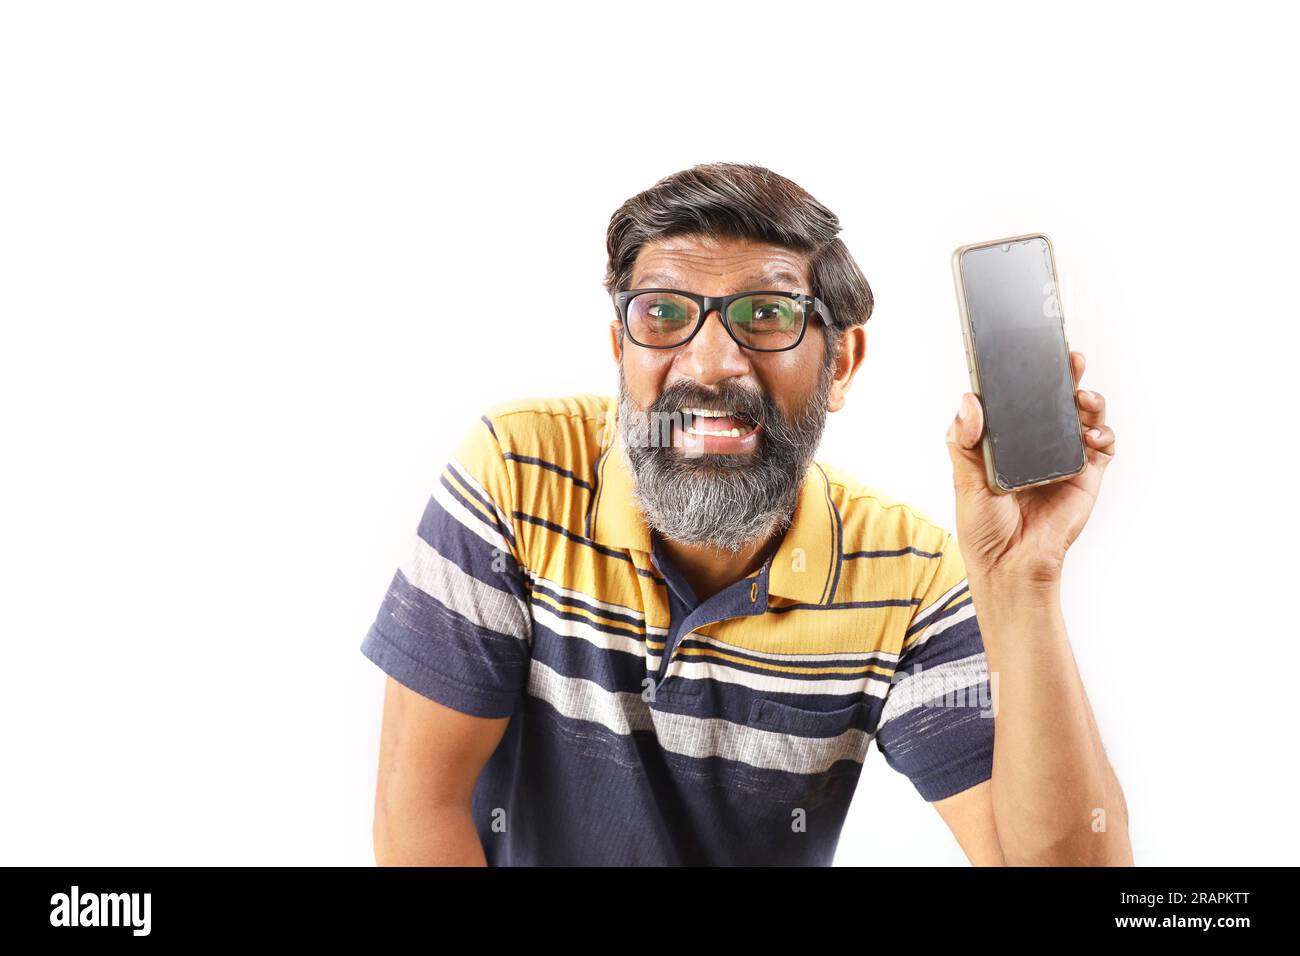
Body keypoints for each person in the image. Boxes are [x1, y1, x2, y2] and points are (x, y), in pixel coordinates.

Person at [360, 162, 1131, 866]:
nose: (709, 364)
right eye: (662, 314)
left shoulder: (909, 580)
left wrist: (1021, 581)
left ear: (843, 364)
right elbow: (419, 805)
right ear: (619, 351)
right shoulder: (521, 472)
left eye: (766, 315)